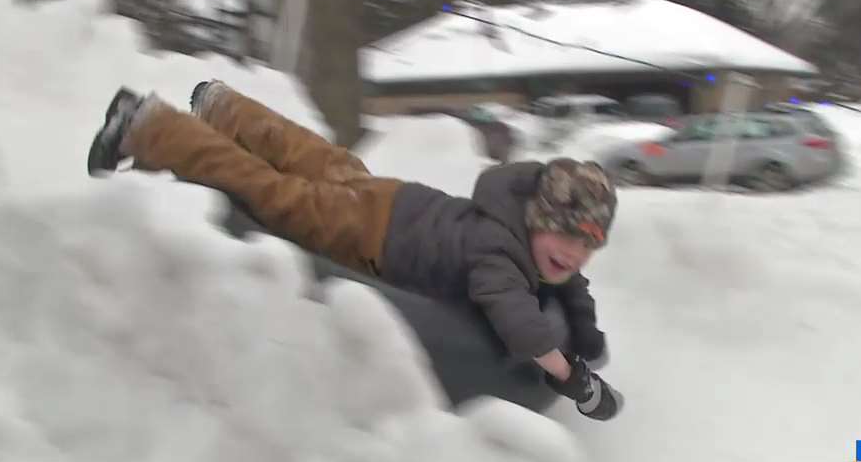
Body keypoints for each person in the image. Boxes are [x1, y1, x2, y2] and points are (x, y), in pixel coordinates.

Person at [86, 81, 623, 420]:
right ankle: (146, 125)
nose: (573, 255)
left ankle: (225, 107)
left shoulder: (521, 224)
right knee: (271, 194)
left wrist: (589, 338)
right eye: (566, 237)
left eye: (588, 245)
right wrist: (575, 380)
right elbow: (520, 327)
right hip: (369, 235)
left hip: (396, 201)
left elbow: (571, 285)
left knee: (318, 160)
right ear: (539, 219)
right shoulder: (499, 258)